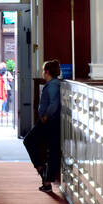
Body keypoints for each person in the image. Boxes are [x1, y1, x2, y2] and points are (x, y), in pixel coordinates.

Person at [23, 59, 62, 193]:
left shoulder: (52, 85)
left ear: (47, 72)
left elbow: (54, 104)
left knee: (29, 141)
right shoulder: (54, 84)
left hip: (48, 121)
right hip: (49, 121)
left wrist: (45, 116)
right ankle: (44, 176)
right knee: (48, 148)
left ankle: (42, 170)